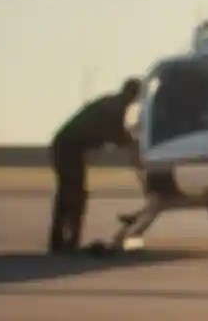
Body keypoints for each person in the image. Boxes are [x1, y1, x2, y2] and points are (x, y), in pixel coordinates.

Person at [48, 77, 142, 253]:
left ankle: (61, 242)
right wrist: (134, 144)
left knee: (69, 193)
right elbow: (115, 134)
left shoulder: (112, 103)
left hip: (67, 145)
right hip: (69, 146)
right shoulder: (115, 107)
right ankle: (67, 243)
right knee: (73, 193)